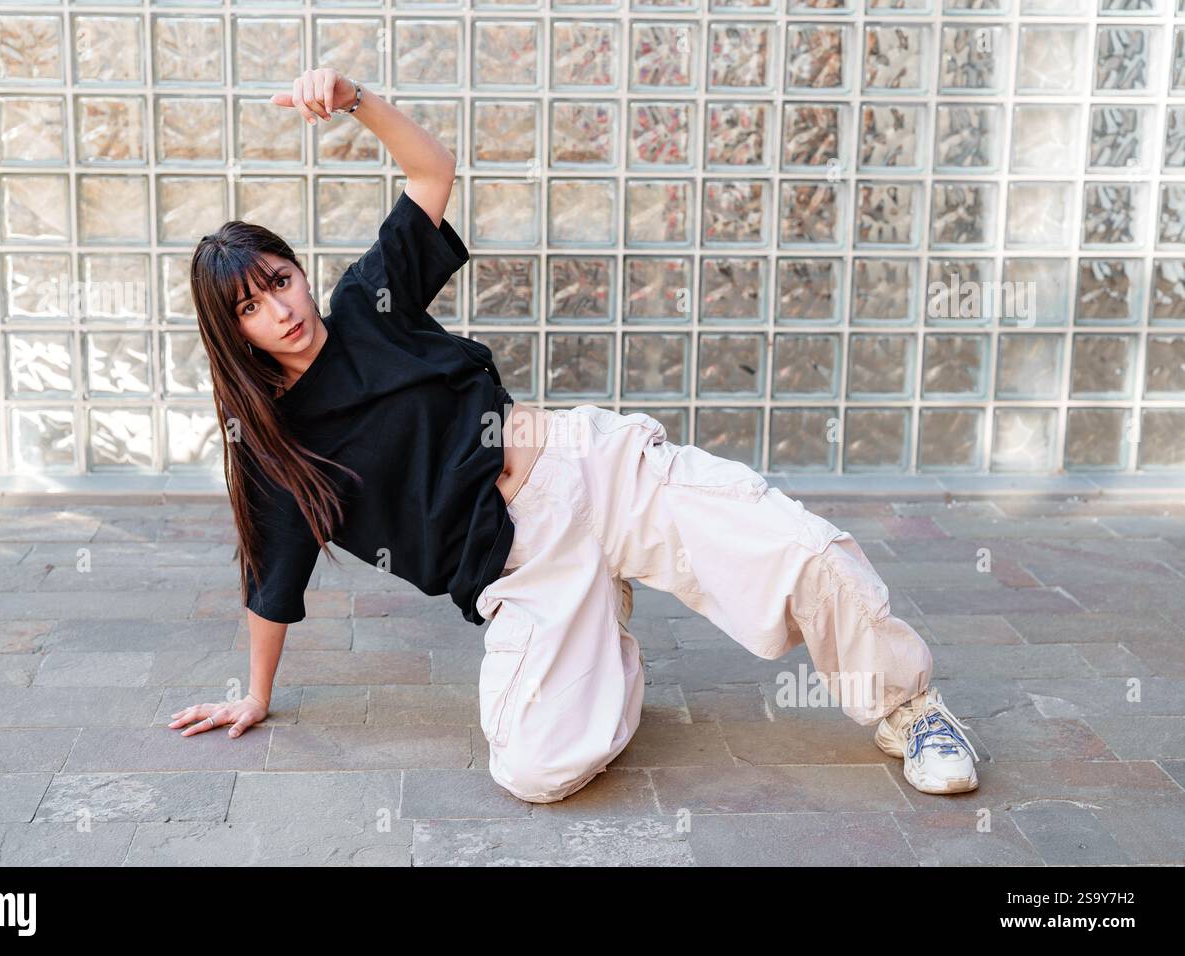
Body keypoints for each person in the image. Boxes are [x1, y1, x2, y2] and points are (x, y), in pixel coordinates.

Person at [168, 68, 981, 805]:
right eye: (251, 307)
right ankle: (602, 629)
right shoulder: (276, 449)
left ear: (298, 271)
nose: (281, 309)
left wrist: (353, 99)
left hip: (587, 468)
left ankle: (910, 710)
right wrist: (256, 694)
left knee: (805, 555)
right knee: (533, 771)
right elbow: (273, 582)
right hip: (526, 566)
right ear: (234, 334)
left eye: (280, 280)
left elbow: (432, 171)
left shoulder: (367, 304)